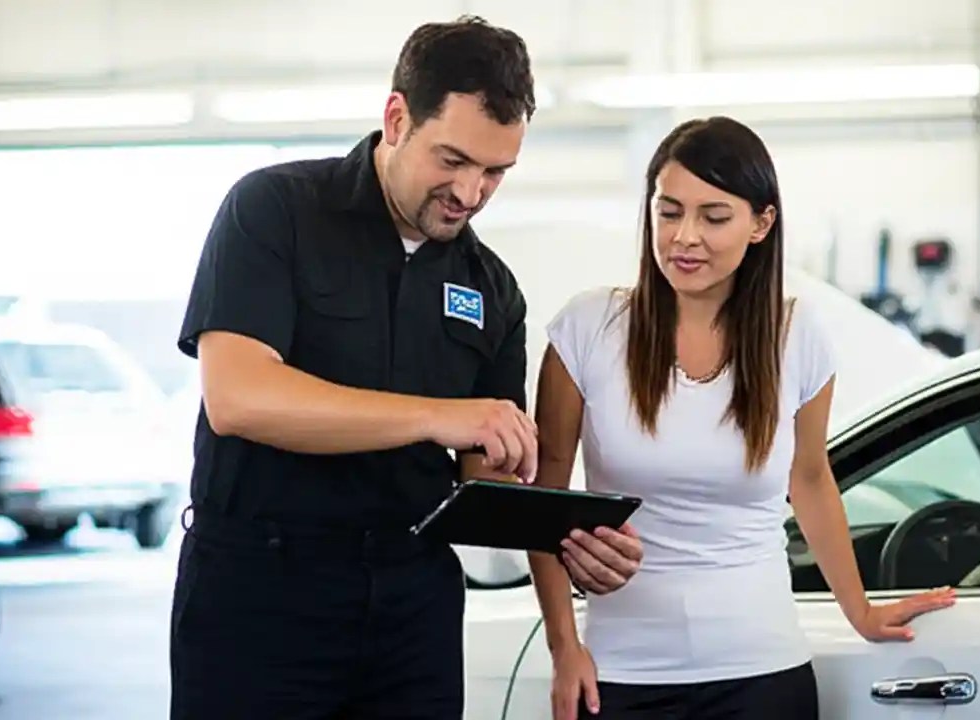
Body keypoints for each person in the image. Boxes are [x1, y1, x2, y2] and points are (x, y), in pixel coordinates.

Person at [168, 16, 643, 720]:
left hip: (411, 605)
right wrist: (439, 415)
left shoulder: (492, 290)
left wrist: (570, 534)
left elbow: (485, 473)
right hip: (260, 593)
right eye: (453, 159)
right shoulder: (274, 211)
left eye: (495, 172)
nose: (472, 192)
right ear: (397, 117)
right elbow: (238, 397)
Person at [528, 116, 958, 720]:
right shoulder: (588, 328)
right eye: (669, 211)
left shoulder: (795, 335)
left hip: (761, 674)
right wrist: (564, 647)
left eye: (714, 216)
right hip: (622, 673)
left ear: (761, 223)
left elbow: (809, 479)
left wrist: (858, 610)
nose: (685, 237)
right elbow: (544, 497)